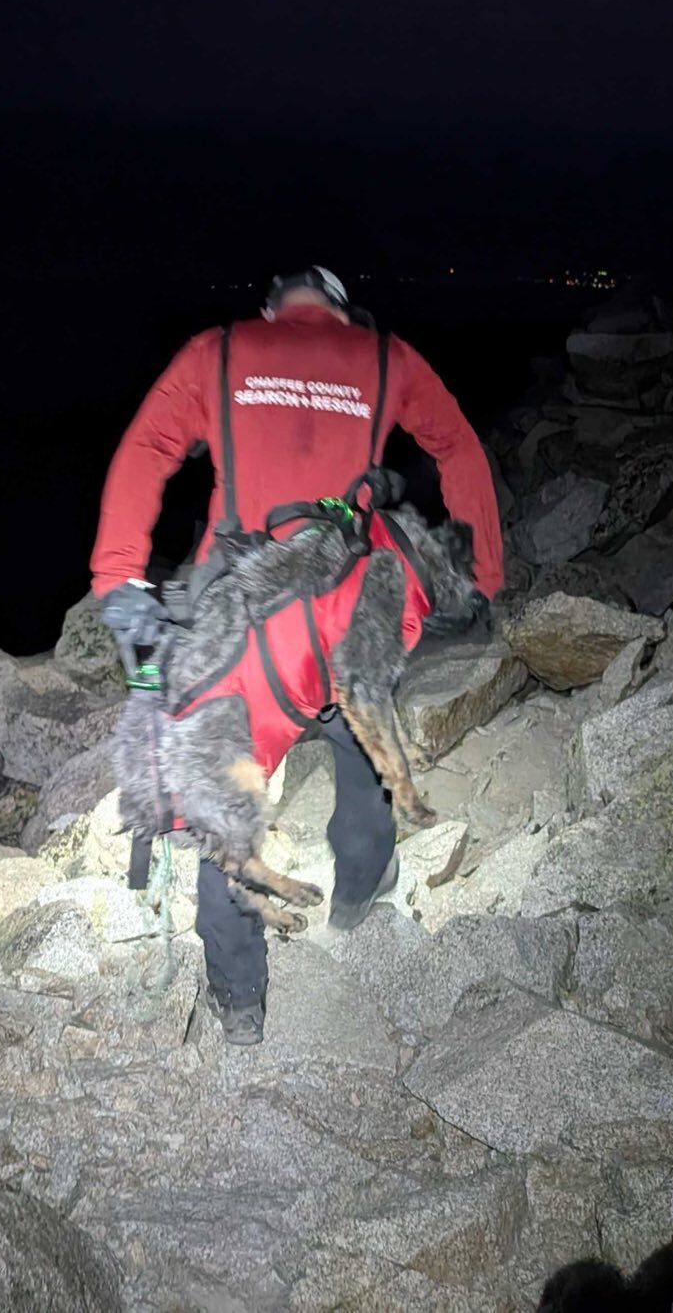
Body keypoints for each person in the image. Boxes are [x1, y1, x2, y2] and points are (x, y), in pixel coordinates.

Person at [89, 265, 504, 1043]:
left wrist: (118, 575)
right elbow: (460, 448)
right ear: (342, 316)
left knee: (227, 803)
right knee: (358, 731)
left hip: (249, 616)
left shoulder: (219, 350)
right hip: (352, 604)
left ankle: (241, 1005)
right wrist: (482, 574)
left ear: (272, 310)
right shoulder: (385, 357)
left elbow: (149, 447)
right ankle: (363, 884)